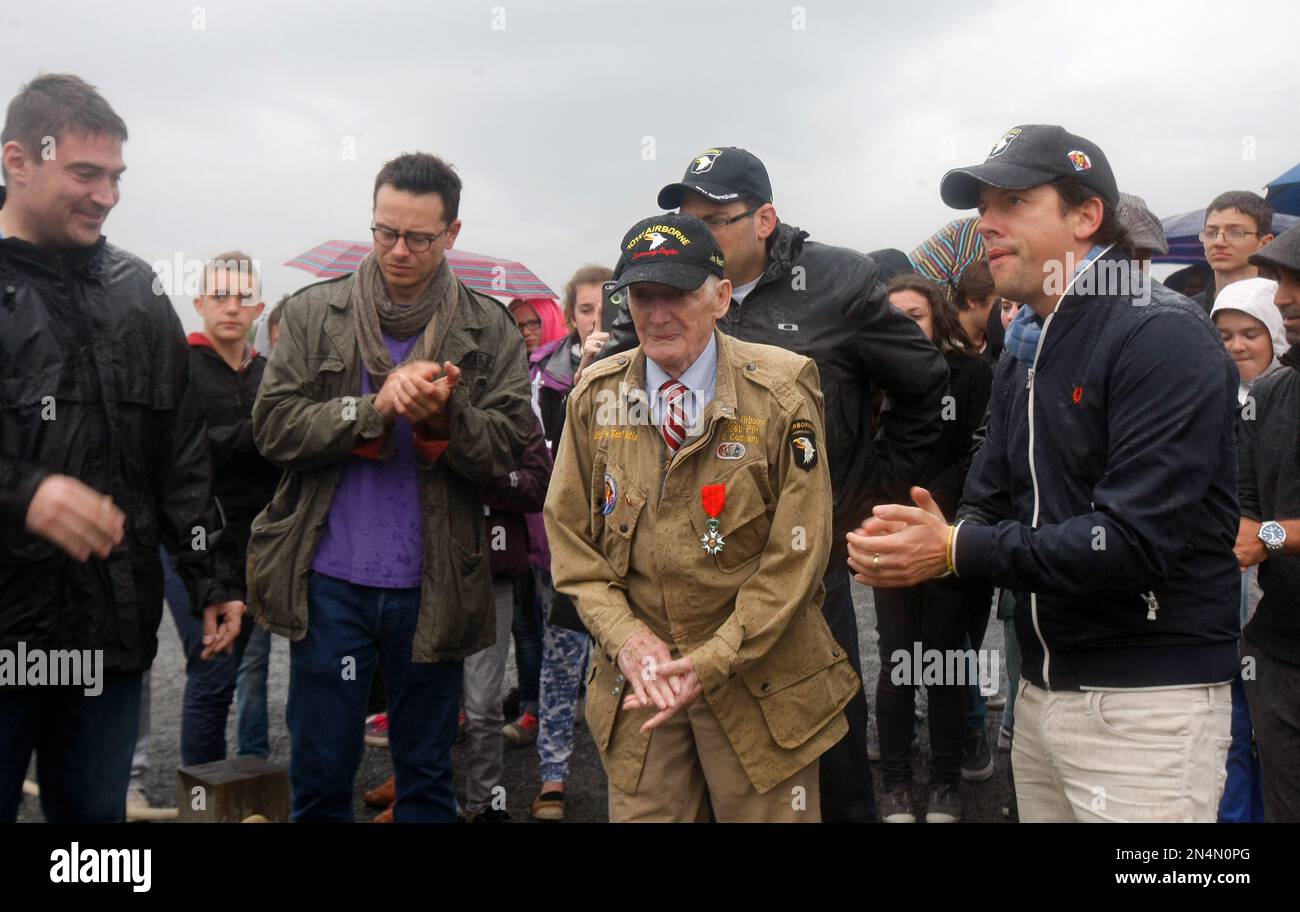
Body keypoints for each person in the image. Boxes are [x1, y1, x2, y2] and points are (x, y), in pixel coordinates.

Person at [849, 124, 1241, 822]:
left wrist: (951, 548)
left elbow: (1133, 540)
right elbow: (988, 495)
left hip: (1145, 708)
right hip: (1042, 694)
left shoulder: (1159, 332)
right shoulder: (1030, 347)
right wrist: (935, 535)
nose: (986, 226)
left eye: (1013, 203)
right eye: (983, 208)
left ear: (1087, 215)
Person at [599, 146, 948, 821]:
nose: (696, 233)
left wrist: (865, 496)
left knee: (825, 730)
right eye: (687, 217)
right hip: (686, 566)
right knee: (689, 739)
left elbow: (926, 387)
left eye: (716, 219)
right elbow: (620, 390)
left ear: (765, 219)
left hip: (802, 559)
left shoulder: (839, 280)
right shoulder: (667, 283)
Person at [245, 152, 534, 822]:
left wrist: (444, 415)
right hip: (329, 582)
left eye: (418, 237)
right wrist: (369, 409)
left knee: (427, 780)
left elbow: (509, 451)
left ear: (452, 234)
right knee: (319, 772)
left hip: (434, 584)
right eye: (384, 232)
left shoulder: (488, 327)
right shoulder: (316, 312)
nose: (398, 250)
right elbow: (273, 429)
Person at [546, 212, 857, 822]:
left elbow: (799, 554)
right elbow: (572, 542)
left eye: (678, 294)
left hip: (759, 680)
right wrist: (627, 640)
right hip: (643, 686)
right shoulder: (596, 398)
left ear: (719, 297)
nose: (658, 315)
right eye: (644, 296)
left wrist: (712, 660)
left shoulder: (783, 390)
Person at [0, 73, 245, 823]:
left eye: (115, 177)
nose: (107, 195)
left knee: (97, 841)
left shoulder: (138, 291)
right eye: (85, 173)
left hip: (109, 639)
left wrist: (210, 577)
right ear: (17, 160)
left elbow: (181, 455)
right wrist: (23, 492)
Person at [874, 274, 994, 822]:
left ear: (938, 318)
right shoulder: (873, 377)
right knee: (897, 656)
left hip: (948, 530)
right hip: (886, 532)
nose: (905, 325)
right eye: (894, 315)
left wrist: (939, 510)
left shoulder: (970, 373)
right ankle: (896, 781)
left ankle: (945, 782)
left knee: (945, 657)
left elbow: (980, 449)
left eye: (915, 315)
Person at [161, 251, 280, 767]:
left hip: (255, 545)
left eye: (243, 298)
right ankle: (203, 800)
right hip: (192, 543)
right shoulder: (178, 369)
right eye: (221, 297)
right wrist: (261, 434)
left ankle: (239, 782)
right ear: (200, 302)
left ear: (259, 308)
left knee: (238, 668)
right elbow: (185, 457)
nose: (232, 308)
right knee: (213, 666)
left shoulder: (269, 376)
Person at [528, 264, 612, 821]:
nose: (598, 320)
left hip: (624, 543)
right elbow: (544, 457)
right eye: (586, 310)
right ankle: (552, 775)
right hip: (565, 542)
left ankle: (630, 773)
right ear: (570, 314)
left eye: (609, 309)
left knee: (622, 661)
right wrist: (585, 374)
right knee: (561, 659)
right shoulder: (547, 376)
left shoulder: (648, 368)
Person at [1236, 224, 1300, 821]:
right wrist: (1243, 526)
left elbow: (1272, 531)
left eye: (1295, 281)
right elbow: (1251, 492)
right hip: (1279, 648)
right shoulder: (1275, 391)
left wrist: (1270, 537)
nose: (1281, 297)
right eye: (1280, 279)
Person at [501, 295, 567, 748]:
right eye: (517, 323)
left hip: (551, 509)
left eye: (532, 322)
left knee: (554, 619)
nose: (525, 330)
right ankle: (530, 702)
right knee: (524, 619)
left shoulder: (557, 374)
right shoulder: (515, 373)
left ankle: (548, 705)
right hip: (518, 509)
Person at [1191, 191, 1275, 313]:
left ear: (1265, 243)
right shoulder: (1187, 312)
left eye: (1235, 233)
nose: (1218, 242)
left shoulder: (1283, 307)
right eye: (1211, 233)